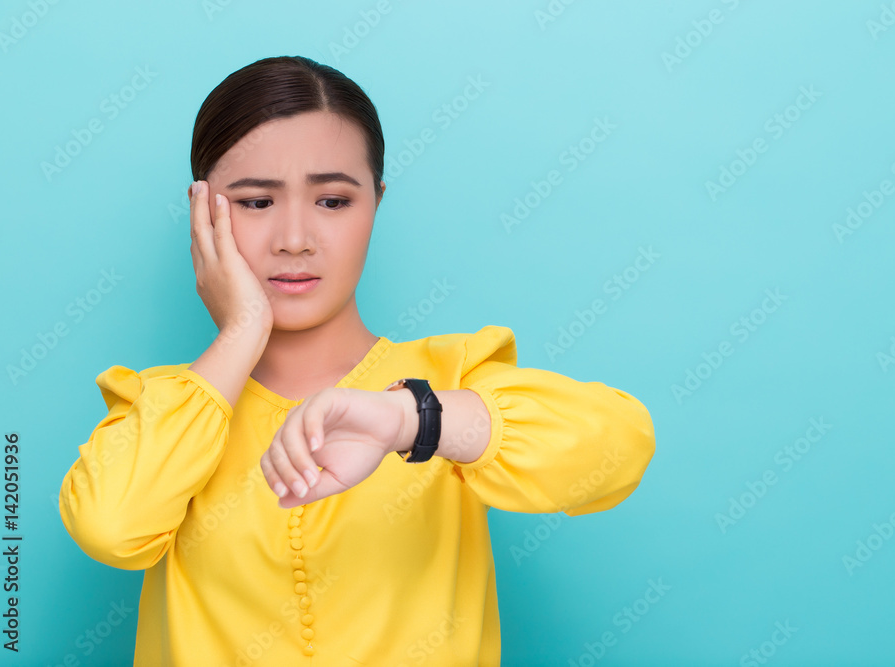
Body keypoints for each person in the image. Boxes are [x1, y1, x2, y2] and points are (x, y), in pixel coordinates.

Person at [58, 55, 656, 666]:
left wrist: (412, 419)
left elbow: (618, 450)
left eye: (334, 201)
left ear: (376, 203)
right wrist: (241, 329)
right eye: (257, 202)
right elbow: (110, 528)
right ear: (203, 213)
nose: (295, 237)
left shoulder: (452, 381)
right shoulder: (166, 408)